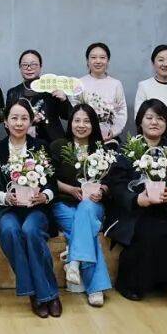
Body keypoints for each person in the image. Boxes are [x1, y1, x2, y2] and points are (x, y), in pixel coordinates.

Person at [107, 100, 167, 303]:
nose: (154, 122)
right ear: (140, 121)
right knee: (145, 230)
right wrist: (136, 199)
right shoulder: (127, 149)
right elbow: (116, 184)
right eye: (149, 117)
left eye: (160, 118)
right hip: (136, 209)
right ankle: (133, 284)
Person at [0, 100, 61, 318]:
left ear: (31, 122)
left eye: (24, 118)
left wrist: (45, 195)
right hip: (7, 209)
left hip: (36, 208)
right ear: (5, 122)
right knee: (10, 230)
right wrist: (4, 197)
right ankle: (40, 293)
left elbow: (52, 183)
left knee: (30, 230)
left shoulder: (41, 146)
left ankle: (46, 294)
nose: (19, 123)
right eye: (14, 118)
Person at [49, 103, 114, 307]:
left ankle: (74, 262)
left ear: (93, 124)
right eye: (77, 120)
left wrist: (102, 190)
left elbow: (111, 182)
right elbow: (49, 179)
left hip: (92, 204)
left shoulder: (102, 150)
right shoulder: (58, 146)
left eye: (86, 121)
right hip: (63, 203)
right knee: (86, 230)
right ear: (70, 123)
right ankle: (95, 288)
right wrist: (69, 189)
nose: (81, 125)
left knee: (85, 209)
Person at [4, 49, 69, 143]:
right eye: (25, 65)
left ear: (40, 66)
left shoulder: (52, 88)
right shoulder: (13, 93)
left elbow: (66, 116)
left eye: (33, 64)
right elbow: (7, 123)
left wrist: (64, 100)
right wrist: (27, 122)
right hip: (24, 142)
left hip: (52, 141)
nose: (29, 68)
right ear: (20, 67)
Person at [76, 42, 128, 144]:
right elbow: (75, 111)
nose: (98, 61)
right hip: (84, 136)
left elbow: (121, 112)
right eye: (93, 57)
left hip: (109, 137)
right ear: (87, 61)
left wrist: (113, 132)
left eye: (102, 57)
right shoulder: (79, 83)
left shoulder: (116, 84)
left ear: (108, 61)